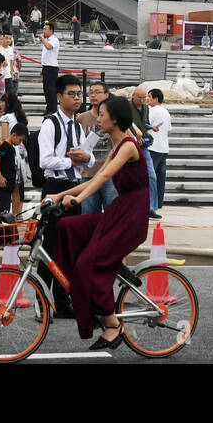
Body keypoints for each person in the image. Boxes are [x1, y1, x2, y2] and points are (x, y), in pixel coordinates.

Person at [47, 95, 150, 347]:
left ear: (115, 119)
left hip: (131, 217)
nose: (98, 118)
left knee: (87, 265)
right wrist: (60, 195)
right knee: (67, 227)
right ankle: (85, 294)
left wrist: (77, 199)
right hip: (119, 212)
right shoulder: (116, 146)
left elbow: (103, 176)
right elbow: (96, 177)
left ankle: (113, 325)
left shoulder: (127, 145)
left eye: (102, 114)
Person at [38, 74, 94, 316]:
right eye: (71, 94)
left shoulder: (77, 125)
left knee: (70, 250)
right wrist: (71, 162)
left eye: (79, 94)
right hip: (54, 190)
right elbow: (44, 160)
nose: (77, 98)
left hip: (75, 192)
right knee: (48, 249)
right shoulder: (51, 123)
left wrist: (86, 159)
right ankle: (42, 302)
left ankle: (63, 303)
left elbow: (88, 156)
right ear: (59, 96)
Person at [129, 86, 159, 219]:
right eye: (139, 97)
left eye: (144, 97)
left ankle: (151, 208)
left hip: (144, 146)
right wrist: (136, 134)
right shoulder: (127, 107)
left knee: (151, 176)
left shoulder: (146, 108)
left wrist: (151, 127)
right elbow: (126, 124)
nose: (142, 100)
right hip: (130, 146)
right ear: (133, 96)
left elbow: (144, 123)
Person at [147, 88, 171, 211]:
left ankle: (151, 204)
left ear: (155, 98)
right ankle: (159, 202)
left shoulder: (152, 111)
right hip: (164, 148)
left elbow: (145, 124)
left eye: (149, 97)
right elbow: (169, 131)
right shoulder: (166, 111)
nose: (147, 99)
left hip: (153, 147)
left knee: (151, 177)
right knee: (161, 177)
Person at [39, 22, 60, 114]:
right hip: (46, 67)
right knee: (46, 89)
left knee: (51, 89)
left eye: (46, 29)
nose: (44, 31)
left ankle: (53, 109)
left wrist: (42, 38)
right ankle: (49, 108)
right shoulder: (47, 40)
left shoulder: (54, 39)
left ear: (51, 30)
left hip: (52, 67)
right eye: (43, 29)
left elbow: (49, 47)